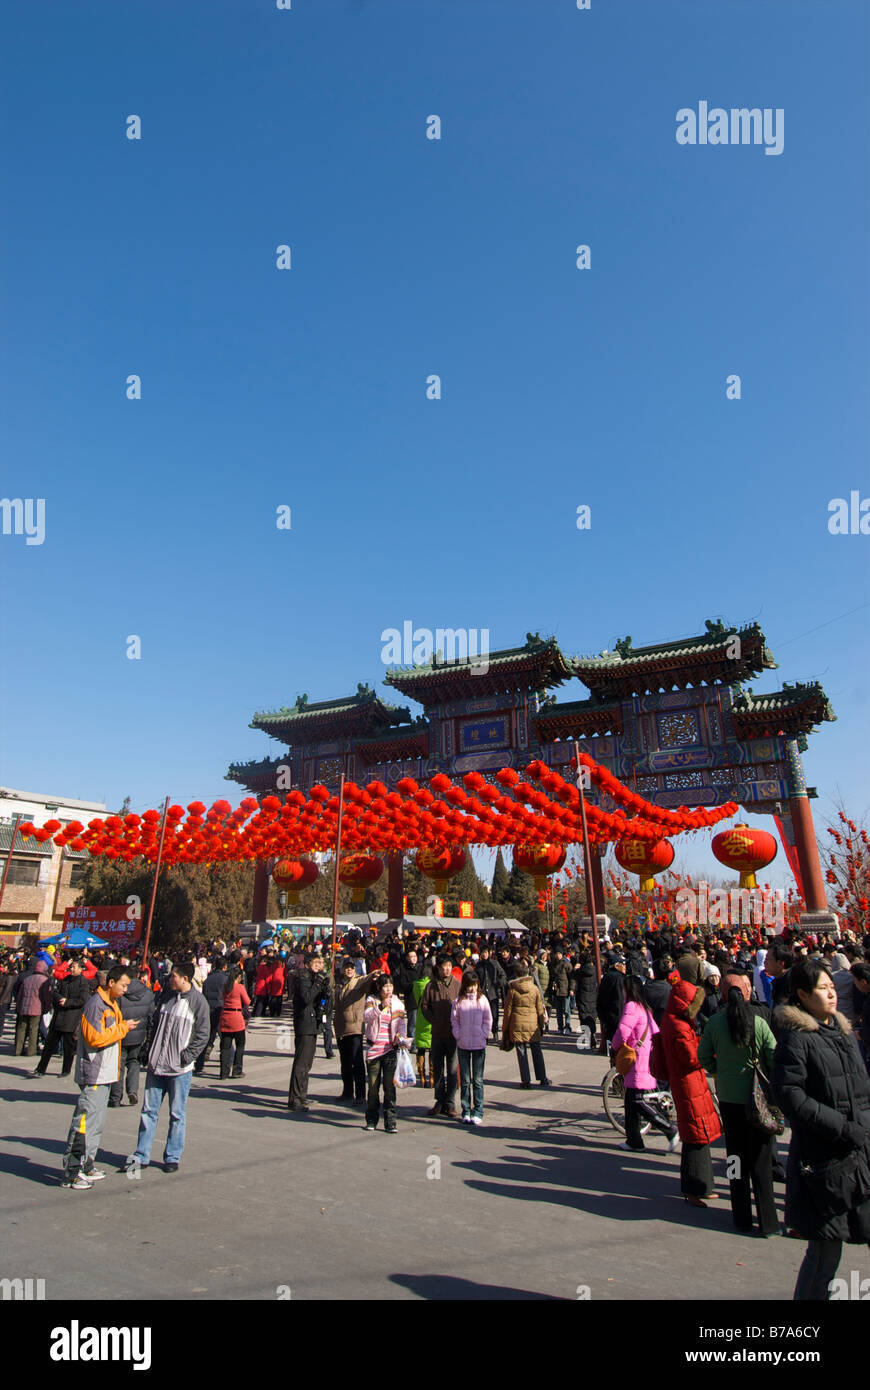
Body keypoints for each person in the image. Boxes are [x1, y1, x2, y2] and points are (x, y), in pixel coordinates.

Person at [771, 958, 870, 1299]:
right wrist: (843, 1128)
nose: (832, 994)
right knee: (826, 1251)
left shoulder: (842, 1031)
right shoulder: (796, 1039)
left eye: (832, 987)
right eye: (822, 989)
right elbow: (789, 1096)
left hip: (862, 1153)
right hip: (826, 1160)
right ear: (801, 994)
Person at [698, 972, 779, 1237]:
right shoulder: (759, 1023)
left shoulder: (714, 1023)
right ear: (746, 993)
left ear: (722, 994)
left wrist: (718, 1070)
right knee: (761, 1159)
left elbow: (703, 1056)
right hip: (756, 1099)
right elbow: (773, 1055)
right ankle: (768, 1221)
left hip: (729, 1099)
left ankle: (740, 1216)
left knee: (735, 1156)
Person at [61, 964, 142, 1190]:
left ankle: (87, 1164)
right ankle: (72, 1171)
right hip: (94, 1073)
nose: (125, 989)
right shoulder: (95, 1005)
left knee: (96, 1123)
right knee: (84, 1122)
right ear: (111, 982)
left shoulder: (111, 1004)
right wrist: (123, 1028)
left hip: (106, 1073)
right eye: (123, 985)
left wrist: (123, 1026)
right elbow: (95, 1038)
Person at [127, 961, 211, 1173]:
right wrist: (148, 1048)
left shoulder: (198, 1003)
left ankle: (172, 1156)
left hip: (179, 1069)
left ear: (185, 978)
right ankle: (141, 1154)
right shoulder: (166, 997)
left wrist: (187, 1056)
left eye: (173, 975)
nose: (169, 978)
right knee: (149, 1111)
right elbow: (154, 1023)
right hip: (157, 1064)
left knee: (177, 1113)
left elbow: (203, 1034)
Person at [659, 956, 722, 1207]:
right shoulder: (678, 1024)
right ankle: (694, 1188)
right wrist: (708, 1051)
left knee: (699, 1133)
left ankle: (704, 1184)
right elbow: (690, 1057)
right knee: (695, 1134)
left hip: (691, 1082)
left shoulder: (677, 1018)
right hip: (686, 1081)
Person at [612, 974, 679, 1153]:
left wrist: (615, 1045)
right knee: (630, 1101)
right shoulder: (644, 1007)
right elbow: (656, 1031)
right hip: (647, 1055)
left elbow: (622, 1031)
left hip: (637, 1058)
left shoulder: (632, 1006)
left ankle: (669, 1128)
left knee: (636, 1100)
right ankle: (634, 1139)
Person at [362, 974, 409, 1133]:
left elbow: (401, 1024)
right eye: (385, 987)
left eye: (390, 986)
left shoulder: (398, 1004)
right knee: (373, 1087)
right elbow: (366, 1017)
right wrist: (380, 1006)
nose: (388, 989)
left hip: (390, 1049)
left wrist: (401, 1037)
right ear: (379, 988)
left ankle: (390, 1121)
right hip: (374, 1049)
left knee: (389, 1087)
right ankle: (371, 1119)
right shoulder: (371, 1000)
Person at [288, 954, 332, 1111]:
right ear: (307, 964)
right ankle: (295, 1099)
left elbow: (322, 1000)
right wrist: (318, 983)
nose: (319, 965)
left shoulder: (314, 979)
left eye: (321, 962)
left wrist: (325, 989)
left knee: (307, 1062)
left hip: (313, 1023)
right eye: (316, 962)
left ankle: (302, 1096)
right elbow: (306, 998)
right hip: (304, 1023)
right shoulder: (303, 978)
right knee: (302, 1062)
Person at [34, 958, 89, 1077]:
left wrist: (68, 1002)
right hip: (59, 1016)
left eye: (74, 967)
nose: (72, 969)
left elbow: (83, 1000)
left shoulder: (83, 982)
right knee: (49, 1044)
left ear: (80, 969)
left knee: (68, 1047)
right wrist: (59, 999)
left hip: (71, 1017)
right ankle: (40, 1068)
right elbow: (55, 991)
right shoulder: (65, 979)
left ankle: (66, 1070)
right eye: (71, 967)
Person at [334, 958, 379, 1104]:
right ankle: (347, 1092)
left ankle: (360, 1094)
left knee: (357, 1062)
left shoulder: (358, 982)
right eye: (346, 967)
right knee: (345, 1062)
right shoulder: (338, 984)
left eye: (351, 968)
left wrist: (374, 974)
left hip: (355, 1028)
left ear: (355, 969)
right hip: (341, 1027)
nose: (349, 970)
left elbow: (367, 979)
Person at [421, 954, 461, 1118]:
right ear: (438, 968)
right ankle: (439, 1100)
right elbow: (424, 1006)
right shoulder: (431, 986)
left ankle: (450, 1102)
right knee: (437, 1069)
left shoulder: (458, 985)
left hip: (453, 1035)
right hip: (437, 1033)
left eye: (449, 966)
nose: (447, 969)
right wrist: (433, 1019)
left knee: (452, 1070)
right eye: (444, 967)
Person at [450, 971, 492, 1124]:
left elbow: (488, 1018)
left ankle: (478, 1110)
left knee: (478, 1080)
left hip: (479, 1044)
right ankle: (466, 1110)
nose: (472, 989)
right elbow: (454, 1020)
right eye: (469, 985)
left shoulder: (482, 1000)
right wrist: (458, 1034)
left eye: (475, 985)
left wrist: (484, 1034)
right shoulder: (458, 1001)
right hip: (463, 1044)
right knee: (466, 1080)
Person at [108, 967, 155, 1106]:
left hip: (122, 1032)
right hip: (139, 1033)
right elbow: (151, 1015)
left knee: (119, 1064)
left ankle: (115, 1097)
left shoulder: (121, 991)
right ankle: (132, 1091)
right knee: (134, 1062)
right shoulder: (147, 992)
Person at [501, 961, 550, 1088]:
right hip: (533, 1024)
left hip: (517, 1024)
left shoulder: (512, 990)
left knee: (521, 1052)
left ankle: (526, 1080)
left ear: (516, 974)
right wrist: (541, 1025)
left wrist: (505, 1029)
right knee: (537, 1050)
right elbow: (540, 1010)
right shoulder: (534, 989)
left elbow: (507, 1011)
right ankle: (542, 1078)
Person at [195, 956, 228, 1073]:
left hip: (208, 1009)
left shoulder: (208, 979)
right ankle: (226, 1064)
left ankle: (199, 1064)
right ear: (225, 967)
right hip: (221, 1009)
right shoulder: (226, 979)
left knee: (206, 1036)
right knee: (225, 1038)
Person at [218, 963, 250, 1080]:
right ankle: (237, 1070)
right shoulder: (240, 988)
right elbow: (247, 1001)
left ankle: (224, 1072)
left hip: (225, 1017)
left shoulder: (225, 987)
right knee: (240, 1045)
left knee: (225, 1047)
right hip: (236, 1017)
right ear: (238, 977)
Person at [14, 958, 52, 1056]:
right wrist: (47, 1007)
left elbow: (20, 995)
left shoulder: (27, 979)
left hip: (24, 1007)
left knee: (21, 1028)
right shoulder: (44, 980)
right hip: (36, 1008)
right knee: (33, 1029)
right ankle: (31, 1051)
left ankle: (18, 1049)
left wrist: (18, 1007)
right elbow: (46, 996)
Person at [596, 952, 626, 1055]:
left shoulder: (607, 976)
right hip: (616, 1014)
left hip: (607, 1013)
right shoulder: (618, 978)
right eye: (623, 964)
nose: (625, 967)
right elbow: (619, 999)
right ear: (617, 965)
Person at [477, 946, 507, 1042]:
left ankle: (495, 1031)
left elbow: (503, 975)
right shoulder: (478, 965)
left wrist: (498, 984)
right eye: (482, 952)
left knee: (494, 1015)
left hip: (492, 994)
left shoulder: (494, 964)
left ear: (489, 953)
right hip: (482, 995)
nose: (484, 954)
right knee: (482, 1016)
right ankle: (484, 1034)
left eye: (486, 952)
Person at [548, 949, 574, 1035]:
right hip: (557, 990)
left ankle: (568, 1027)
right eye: (556, 953)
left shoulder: (566, 964)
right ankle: (560, 1027)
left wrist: (571, 989)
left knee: (566, 1010)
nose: (558, 955)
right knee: (558, 1011)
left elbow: (572, 978)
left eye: (559, 953)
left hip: (565, 990)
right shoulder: (553, 964)